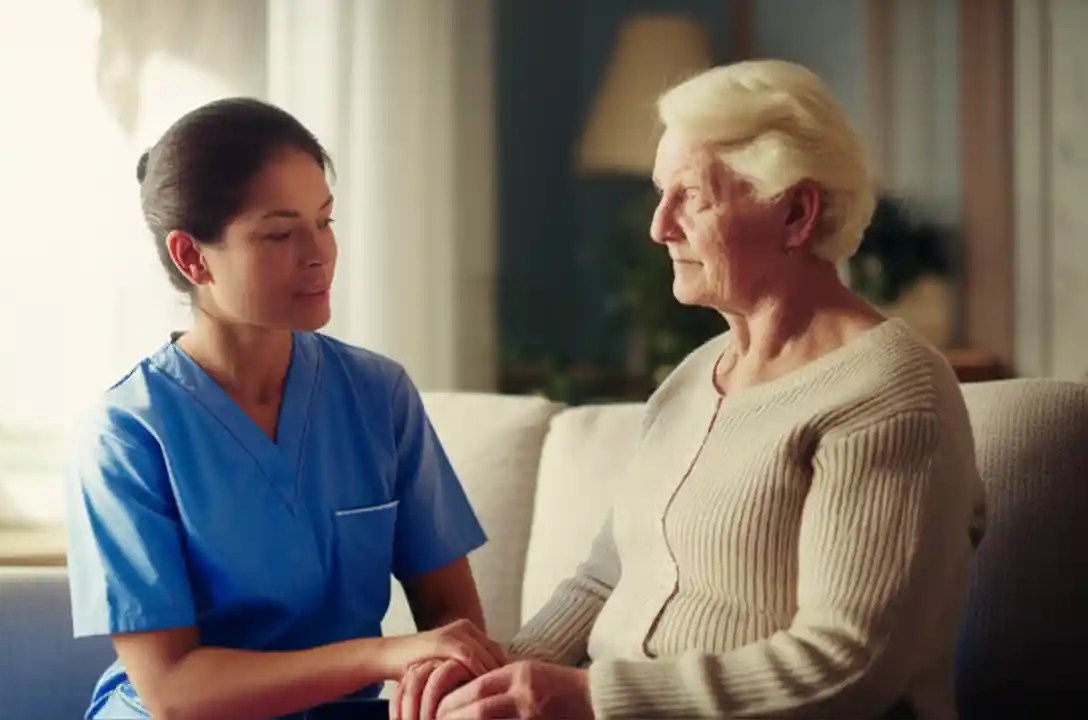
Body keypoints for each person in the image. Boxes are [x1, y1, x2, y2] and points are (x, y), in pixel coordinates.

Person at [396, 60, 987, 719]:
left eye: (693, 197)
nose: (659, 227)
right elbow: (604, 576)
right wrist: (501, 674)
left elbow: (848, 663)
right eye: (659, 193)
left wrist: (594, 697)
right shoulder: (692, 378)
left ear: (796, 212)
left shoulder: (888, 393)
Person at [65, 98, 505, 720]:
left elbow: (451, 619)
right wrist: (379, 657)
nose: (318, 253)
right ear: (192, 257)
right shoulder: (127, 434)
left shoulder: (380, 395)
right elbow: (171, 690)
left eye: (324, 221)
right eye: (278, 233)